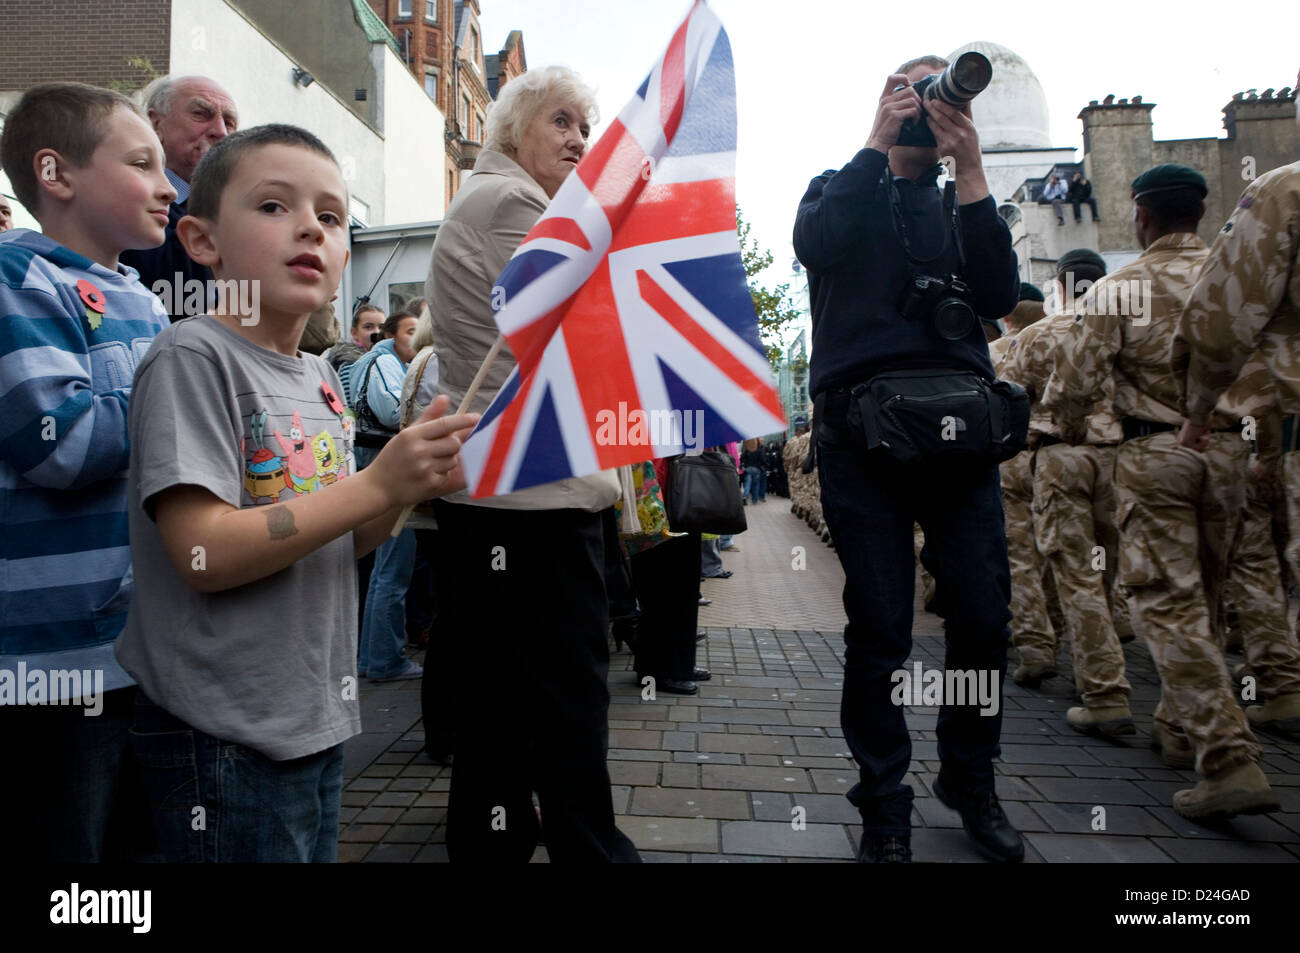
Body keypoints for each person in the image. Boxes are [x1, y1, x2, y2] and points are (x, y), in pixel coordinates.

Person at [113, 123, 477, 862]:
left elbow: (340, 541)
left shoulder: (318, 378)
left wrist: (407, 492)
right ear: (201, 240)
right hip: (221, 729)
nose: (311, 226)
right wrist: (376, 481)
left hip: (314, 713)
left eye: (333, 216)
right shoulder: (192, 356)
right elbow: (204, 552)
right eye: (274, 206)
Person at [793, 55, 1022, 863]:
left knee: (984, 616)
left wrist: (972, 168)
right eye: (915, 88)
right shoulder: (839, 184)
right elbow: (817, 242)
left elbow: (997, 292)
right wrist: (876, 143)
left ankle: (970, 775)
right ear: (887, 100)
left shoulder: (964, 196)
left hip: (961, 436)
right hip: (864, 439)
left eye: (940, 89)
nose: (931, 103)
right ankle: (883, 803)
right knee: (882, 626)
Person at [425, 65, 639, 863]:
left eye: (585, 125)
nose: (580, 139)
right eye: (561, 121)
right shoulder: (515, 205)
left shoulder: (501, 202)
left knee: (502, 707)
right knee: (566, 703)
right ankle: (590, 851)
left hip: (508, 495)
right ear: (512, 127)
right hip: (534, 496)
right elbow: (569, 341)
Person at [1043, 163, 1281, 819]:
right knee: (1206, 595)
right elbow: (1270, 374)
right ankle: (1179, 729)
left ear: (1142, 215)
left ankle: (1228, 757)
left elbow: (1074, 386)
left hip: (1156, 451)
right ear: (1201, 214)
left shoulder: (1119, 291)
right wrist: (1263, 452)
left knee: (1167, 604)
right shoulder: (1236, 283)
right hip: (1232, 449)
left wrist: (1070, 432)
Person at [0, 82, 174, 862]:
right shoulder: (18, 280)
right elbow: (60, 442)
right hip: (56, 661)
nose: (169, 186)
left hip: (141, 647)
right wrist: (186, 403)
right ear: (55, 174)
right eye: (142, 162)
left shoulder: (141, 296)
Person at [1176, 101, 1300, 740]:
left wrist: (1199, 411)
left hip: (1230, 438)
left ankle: (1247, 701)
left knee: (1212, 571)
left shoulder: (1285, 191)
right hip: (1254, 441)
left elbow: (1221, 327)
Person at [1003, 250, 1134, 736]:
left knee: (1073, 574)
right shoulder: (1132, 322)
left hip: (1060, 454)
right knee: (1109, 571)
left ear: (1059, 285)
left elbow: (1009, 404)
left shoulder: (1038, 336)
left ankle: (1101, 687)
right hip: (1121, 455)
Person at [120, 75, 238, 320]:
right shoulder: (122, 204)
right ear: (155, 124)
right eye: (201, 114)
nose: (220, 132)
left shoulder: (233, 214)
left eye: (230, 122)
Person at [988, 282, 1058, 687]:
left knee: (1021, 554)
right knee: (1069, 556)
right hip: (1073, 450)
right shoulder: (1070, 334)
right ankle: (1079, 639)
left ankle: (1035, 645)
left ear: (1009, 317)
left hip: (1015, 456)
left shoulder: (998, 351)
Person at [352, 308, 423, 680]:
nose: (415, 336)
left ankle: (372, 659)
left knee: (385, 571)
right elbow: (394, 413)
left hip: (380, 471)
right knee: (392, 571)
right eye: (409, 330)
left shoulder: (388, 361)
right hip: (386, 472)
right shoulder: (382, 361)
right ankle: (384, 660)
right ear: (392, 335)